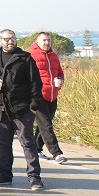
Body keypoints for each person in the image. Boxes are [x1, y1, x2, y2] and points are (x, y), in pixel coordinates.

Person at [0, 30, 45, 190]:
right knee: (4, 144)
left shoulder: (25, 58)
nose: (10, 41)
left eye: (13, 38)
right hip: (0, 108)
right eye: (7, 39)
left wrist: (33, 107)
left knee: (28, 143)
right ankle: (4, 175)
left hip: (22, 109)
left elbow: (35, 83)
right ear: (0, 40)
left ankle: (34, 178)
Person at [28, 32, 67, 164]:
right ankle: (57, 153)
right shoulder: (31, 55)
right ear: (37, 41)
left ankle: (36, 149)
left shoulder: (53, 55)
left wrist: (60, 80)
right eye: (44, 40)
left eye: (49, 40)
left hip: (52, 94)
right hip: (38, 95)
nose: (47, 43)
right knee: (46, 125)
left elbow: (60, 72)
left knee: (44, 124)